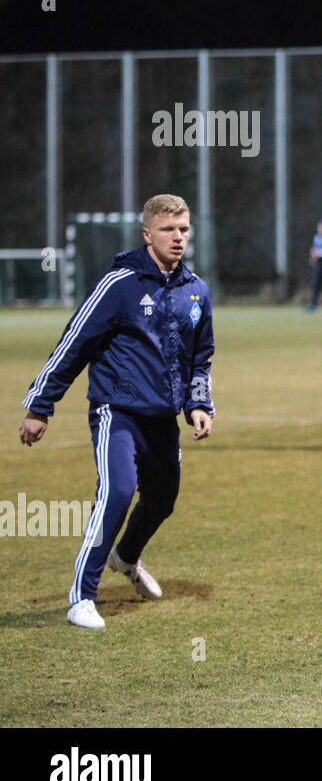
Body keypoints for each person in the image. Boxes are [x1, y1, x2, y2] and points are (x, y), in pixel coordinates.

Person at [18, 194, 215, 629]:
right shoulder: (118, 284)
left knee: (162, 501)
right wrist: (39, 407)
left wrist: (199, 403)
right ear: (148, 234)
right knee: (118, 492)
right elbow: (74, 344)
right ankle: (81, 598)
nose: (177, 238)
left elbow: (201, 357)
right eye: (168, 230)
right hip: (116, 412)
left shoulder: (196, 290)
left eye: (183, 229)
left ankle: (125, 558)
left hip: (163, 419)